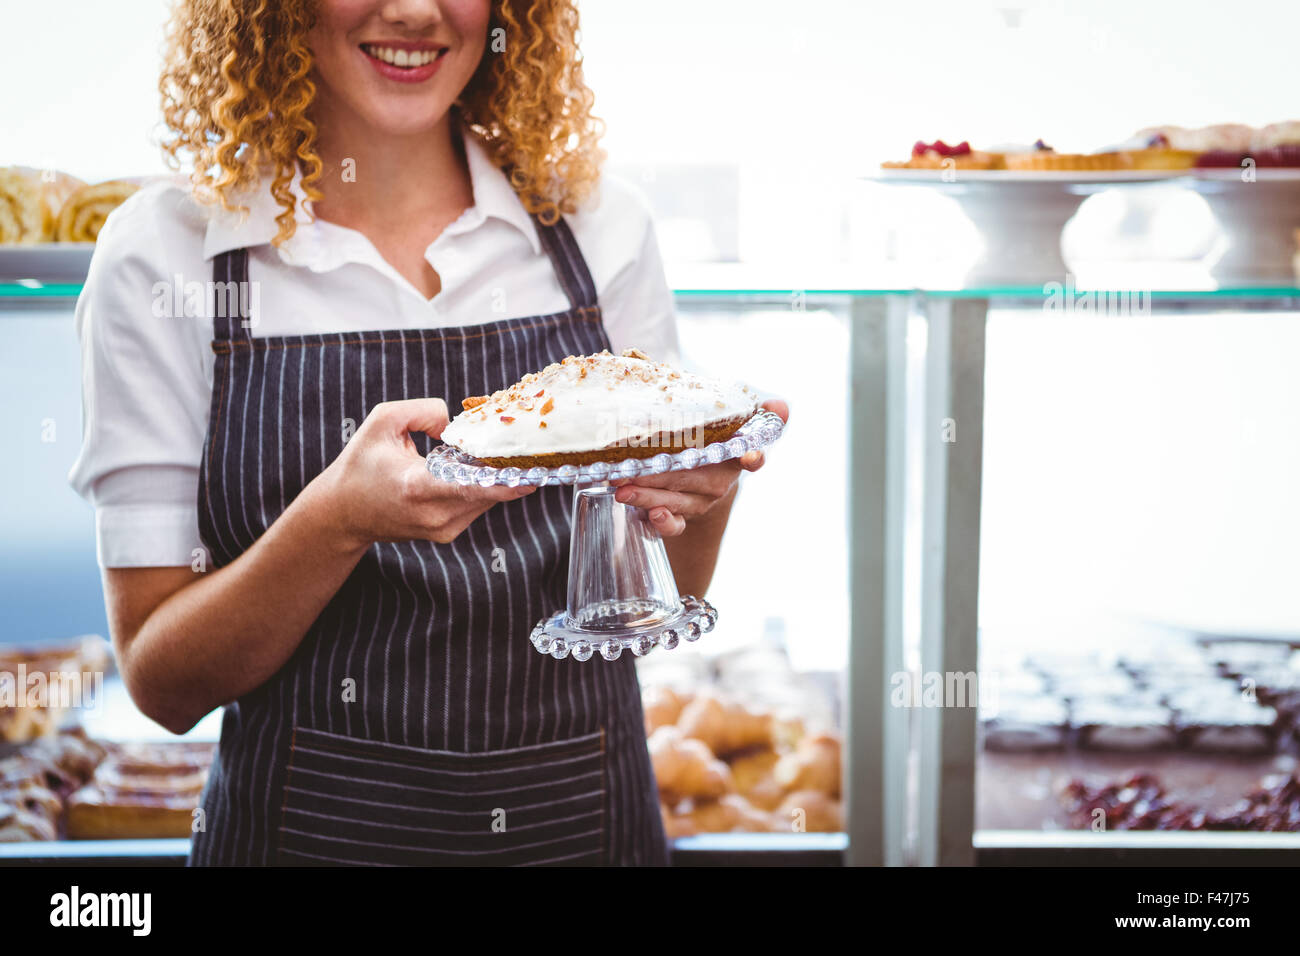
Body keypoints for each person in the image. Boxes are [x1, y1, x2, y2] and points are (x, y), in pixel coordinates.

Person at [70, 0, 787, 865]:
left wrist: (706, 486)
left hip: (586, 828)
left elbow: (646, 599)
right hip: (304, 840)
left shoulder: (599, 227)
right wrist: (333, 523)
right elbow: (162, 682)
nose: (413, 10)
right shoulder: (168, 255)